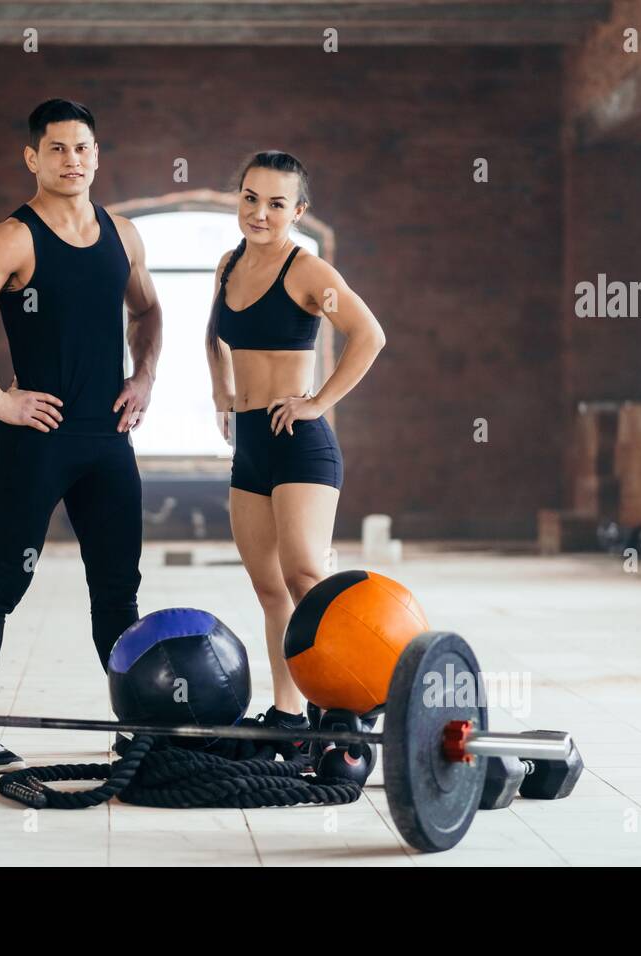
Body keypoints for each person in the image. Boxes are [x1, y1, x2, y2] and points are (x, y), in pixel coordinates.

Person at [0, 99, 162, 771]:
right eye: (56, 149)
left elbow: (147, 311)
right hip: (42, 439)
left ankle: (134, 727)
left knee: (118, 590)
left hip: (108, 441)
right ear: (32, 158)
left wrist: (143, 377)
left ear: (97, 154)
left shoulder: (124, 234)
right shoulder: (11, 238)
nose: (72, 160)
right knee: (3, 580)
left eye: (82, 147)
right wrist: (1, 400)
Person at [205, 151, 386, 742]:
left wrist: (316, 402)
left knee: (307, 574)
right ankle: (288, 713)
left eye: (277, 203)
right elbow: (215, 335)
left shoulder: (306, 271)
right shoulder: (227, 266)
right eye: (250, 198)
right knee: (268, 588)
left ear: (298, 211)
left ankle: (344, 702)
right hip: (251, 444)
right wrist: (221, 391)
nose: (260, 213)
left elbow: (368, 335)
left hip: (299, 441)